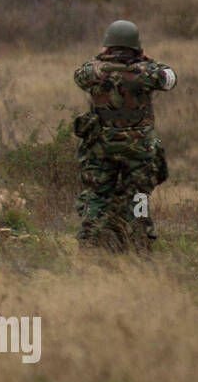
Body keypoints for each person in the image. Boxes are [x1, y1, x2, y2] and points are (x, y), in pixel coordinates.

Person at [73, 21, 176, 250]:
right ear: (136, 46)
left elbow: (79, 75)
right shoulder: (147, 72)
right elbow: (170, 79)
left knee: (97, 195)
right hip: (138, 150)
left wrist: (103, 59)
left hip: (101, 147)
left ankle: (89, 241)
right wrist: (148, 61)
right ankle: (140, 240)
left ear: (108, 45)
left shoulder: (93, 71)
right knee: (139, 196)